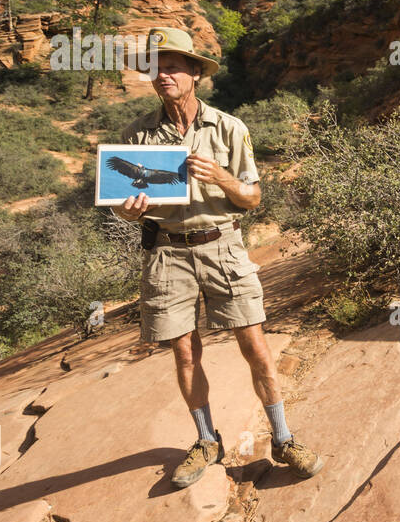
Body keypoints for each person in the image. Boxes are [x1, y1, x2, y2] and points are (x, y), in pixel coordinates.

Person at [112, 27, 324, 488]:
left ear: (194, 73)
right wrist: (126, 210)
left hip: (223, 245)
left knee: (256, 347)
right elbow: (120, 200)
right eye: (155, 68)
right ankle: (208, 441)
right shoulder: (138, 134)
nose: (162, 74)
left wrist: (223, 178)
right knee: (185, 353)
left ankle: (284, 438)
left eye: (172, 66)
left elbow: (252, 198)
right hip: (166, 252)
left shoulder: (229, 127)